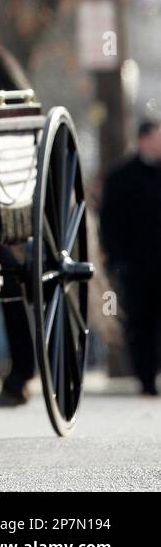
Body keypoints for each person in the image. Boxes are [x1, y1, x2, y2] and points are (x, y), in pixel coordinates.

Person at [100, 119, 161, 396]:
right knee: (139, 321)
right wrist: (116, 259)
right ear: (144, 140)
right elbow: (109, 222)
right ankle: (145, 378)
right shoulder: (121, 176)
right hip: (135, 265)